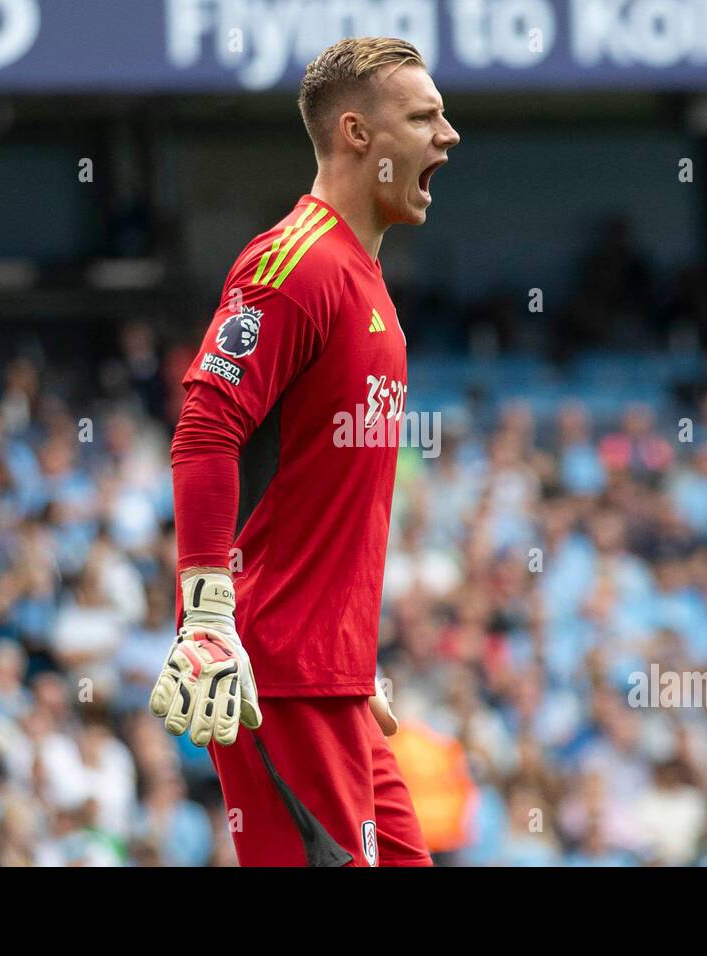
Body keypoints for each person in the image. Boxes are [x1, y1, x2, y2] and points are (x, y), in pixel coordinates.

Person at [149, 36, 459, 866]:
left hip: (335, 678)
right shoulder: (295, 263)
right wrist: (209, 616)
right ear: (358, 133)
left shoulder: (366, 281)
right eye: (424, 116)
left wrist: (355, 663)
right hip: (275, 673)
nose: (449, 134)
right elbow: (205, 428)